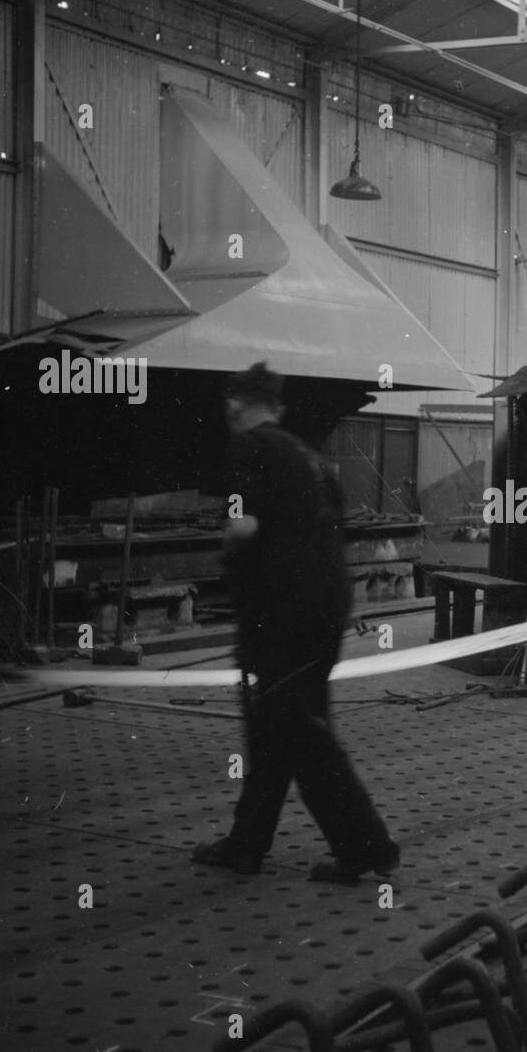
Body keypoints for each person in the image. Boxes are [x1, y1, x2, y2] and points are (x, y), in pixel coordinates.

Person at [192, 362, 400, 882]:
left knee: (299, 729)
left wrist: (226, 552)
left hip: (284, 612)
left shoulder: (249, 449)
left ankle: (366, 846)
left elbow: (243, 525)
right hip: (327, 604)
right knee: (275, 726)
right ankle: (246, 844)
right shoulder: (308, 454)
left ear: (235, 403)